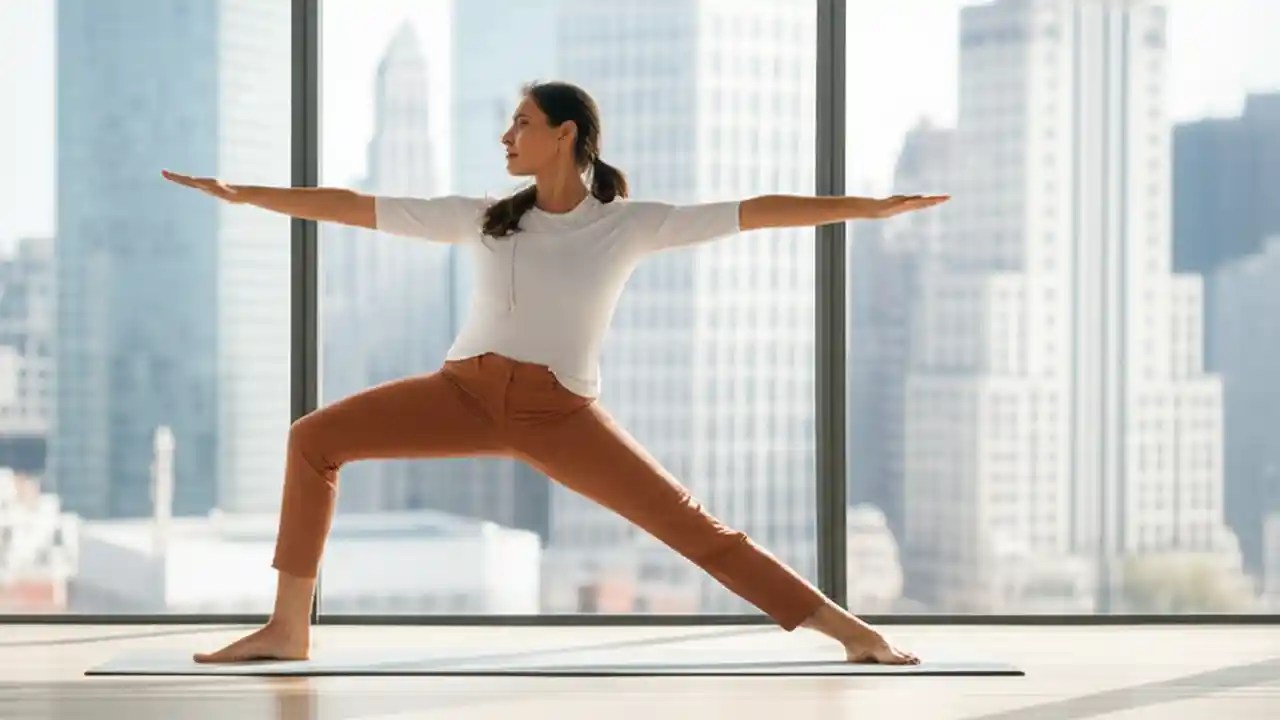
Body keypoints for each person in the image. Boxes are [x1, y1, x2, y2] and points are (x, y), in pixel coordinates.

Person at [162, 80, 947, 665]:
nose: (507, 136)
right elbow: (354, 204)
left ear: (566, 134)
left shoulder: (630, 225)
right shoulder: (483, 217)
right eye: (508, 124)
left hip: (559, 414)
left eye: (522, 123)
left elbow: (753, 210)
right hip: (461, 393)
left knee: (690, 526)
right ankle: (289, 627)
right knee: (314, 439)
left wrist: (866, 209)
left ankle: (852, 632)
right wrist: (244, 195)